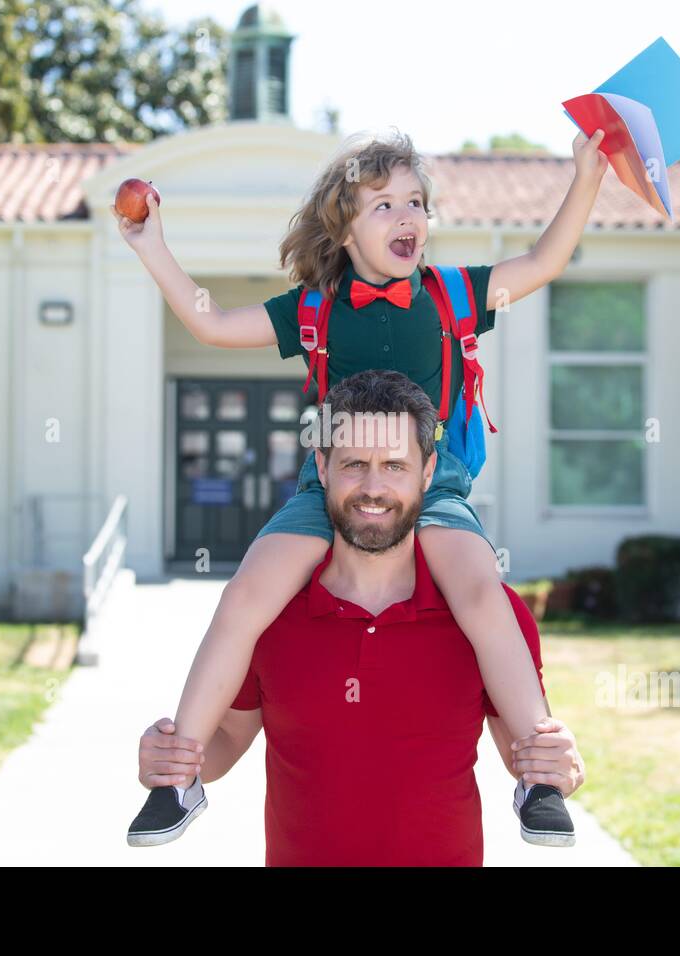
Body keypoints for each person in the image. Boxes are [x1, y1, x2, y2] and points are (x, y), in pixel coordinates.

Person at [118, 126, 606, 846]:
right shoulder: (314, 308)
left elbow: (544, 259)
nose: (407, 216)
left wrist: (588, 175)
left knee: (480, 592)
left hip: (429, 483)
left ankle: (537, 774)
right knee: (247, 592)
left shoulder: (454, 294)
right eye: (382, 205)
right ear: (343, 227)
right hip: (331, 484)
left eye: (415, 202)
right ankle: (178, 778)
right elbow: (210, 322)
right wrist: (151, 244)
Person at [133, 370, 587, 864]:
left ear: (428, 473)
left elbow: (519, 750)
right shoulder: (270, 613)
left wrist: (557, 765)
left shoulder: (487, 613)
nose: (374, 488)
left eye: (395, 466)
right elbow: (226, 742)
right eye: (354, 464)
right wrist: (176, 761)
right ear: (322, 468)